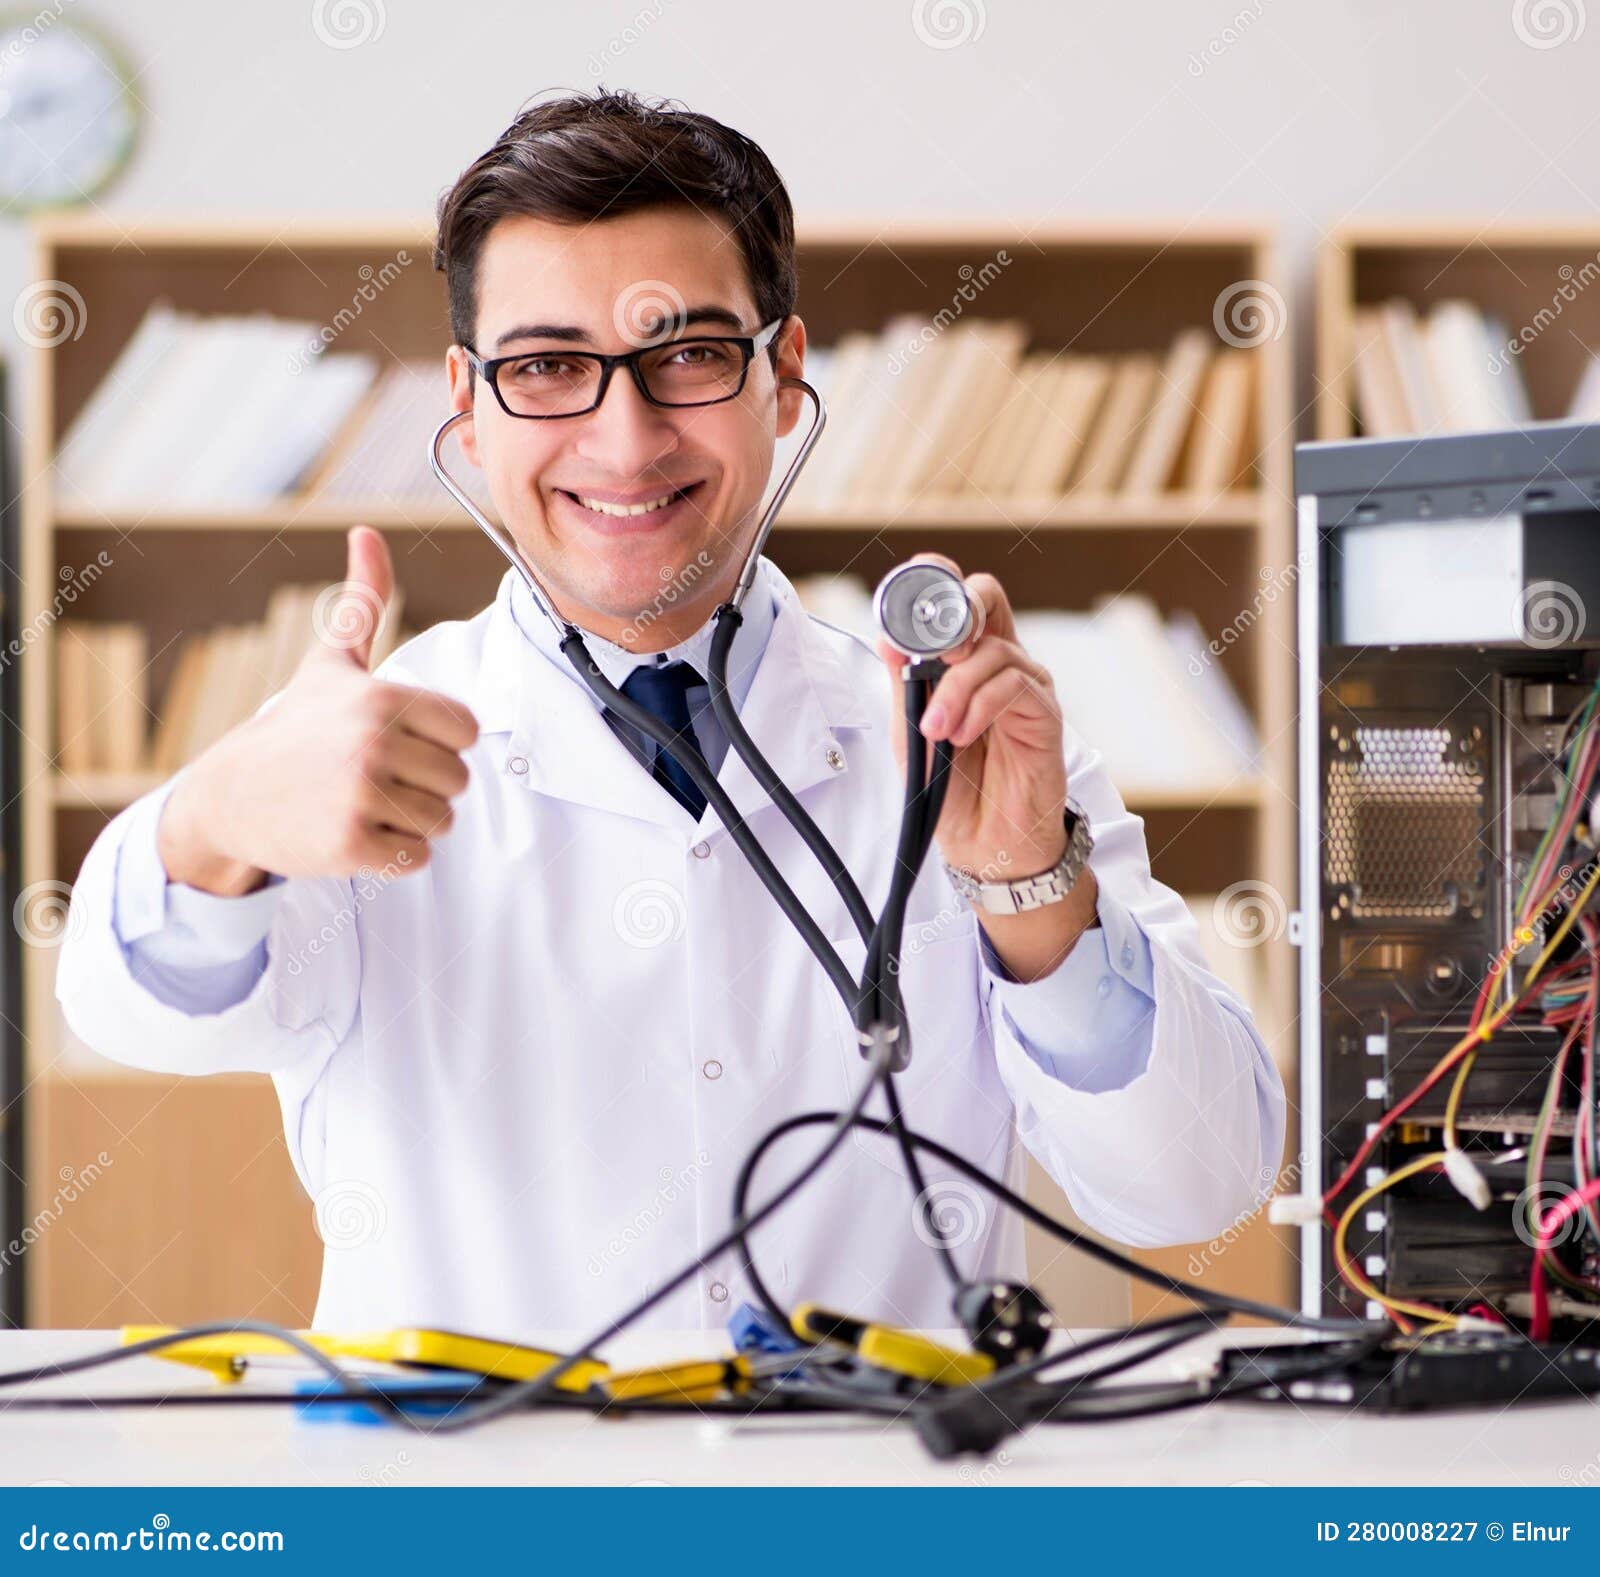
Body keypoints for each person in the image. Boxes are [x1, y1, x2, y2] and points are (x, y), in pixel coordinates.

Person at [57, 89, 1284, 1335]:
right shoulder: (355, 748)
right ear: (468, 408)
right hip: (463, 1509)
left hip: (865, 1507)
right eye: (546, 368)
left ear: (784, 377)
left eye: (689, 355)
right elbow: (130, 1015)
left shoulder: (966, 737)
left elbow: (1196, 1181)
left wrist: (1032, 885)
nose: (625, 437)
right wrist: (216, 816)